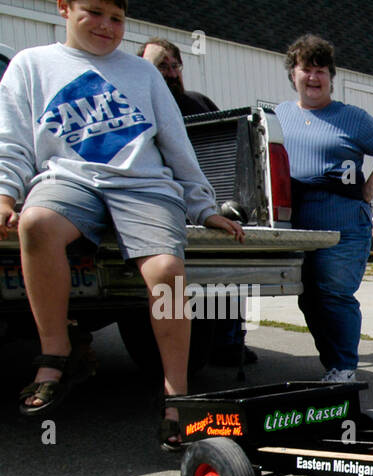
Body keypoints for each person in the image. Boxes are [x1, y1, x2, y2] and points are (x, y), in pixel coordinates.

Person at [0, 0, 244, 447]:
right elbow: (12, 140)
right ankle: (56, 355)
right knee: (34, 223)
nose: (106, 27)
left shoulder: (143, 73)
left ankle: (177, 392)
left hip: (143, 187)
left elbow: (176, 143)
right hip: (68, 178)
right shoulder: (30, 65)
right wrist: (6, 194)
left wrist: (201, 205)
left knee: (167, 273)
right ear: (64, 7)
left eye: (116, 19)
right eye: (93, 12)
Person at [276, 34, 373, 382]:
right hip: (296, 228)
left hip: (343, 227)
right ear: (293, 74)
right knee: (309, 298)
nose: (314, 78)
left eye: (321, 70)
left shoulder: (352, 117)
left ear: (332, 77)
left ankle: (344, 368)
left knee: (334, 294)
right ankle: (332, 364)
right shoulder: (278, 115)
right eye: (306, 69)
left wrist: (370, 187)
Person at [137, 37, 253, 367]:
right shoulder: (136, 105)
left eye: (176, 65)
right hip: (158, 205)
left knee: (227, 271)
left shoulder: (198, 102)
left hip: (205, 201)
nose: (172, 73)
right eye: (162, 65)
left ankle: (230, 342)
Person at [137, 37, 216, 116]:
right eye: (163, 66)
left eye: (175, 66)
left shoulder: (200, 102)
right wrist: (148, 62)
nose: (173, 75)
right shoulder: (140, 110)